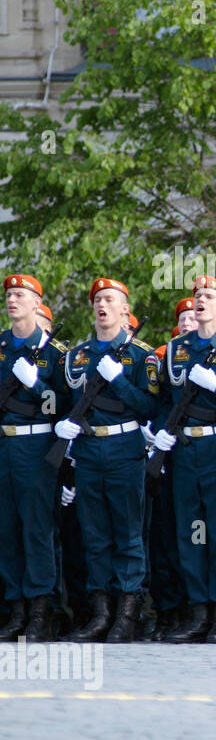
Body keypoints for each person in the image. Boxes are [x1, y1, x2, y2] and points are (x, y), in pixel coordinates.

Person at [150, 275, 216, 643]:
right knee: (190, 531)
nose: (201, 301)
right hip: (184, 448)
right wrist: (160, 429)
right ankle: (198, 610)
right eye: (197, 295)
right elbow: (164, 398)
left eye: (209, 296)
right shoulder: (176, 349)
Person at [59, 278, 160, 643]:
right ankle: (101, 613)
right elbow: (66, 400)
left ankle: (127, 615)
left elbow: (149, 406)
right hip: (88, 450)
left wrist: (118, 381)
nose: (102, 305)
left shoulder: (140, 356)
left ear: (124, 310)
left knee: (128, 535)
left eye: (110, 300)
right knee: (95, 536)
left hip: (124, 450)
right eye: (98, 299)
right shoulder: (78, 355)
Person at [0, 274, 69, 642]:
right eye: (9, 294)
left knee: (37, 529)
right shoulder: (0, 346)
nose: (13, 300)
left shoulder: (55, 354)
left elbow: (61, 407)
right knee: (7, 529)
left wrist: (36, 384)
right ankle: (17, 606)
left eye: (20, 295)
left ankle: (42, 607)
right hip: (4, 445)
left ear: (36, 302)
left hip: (36, 445)